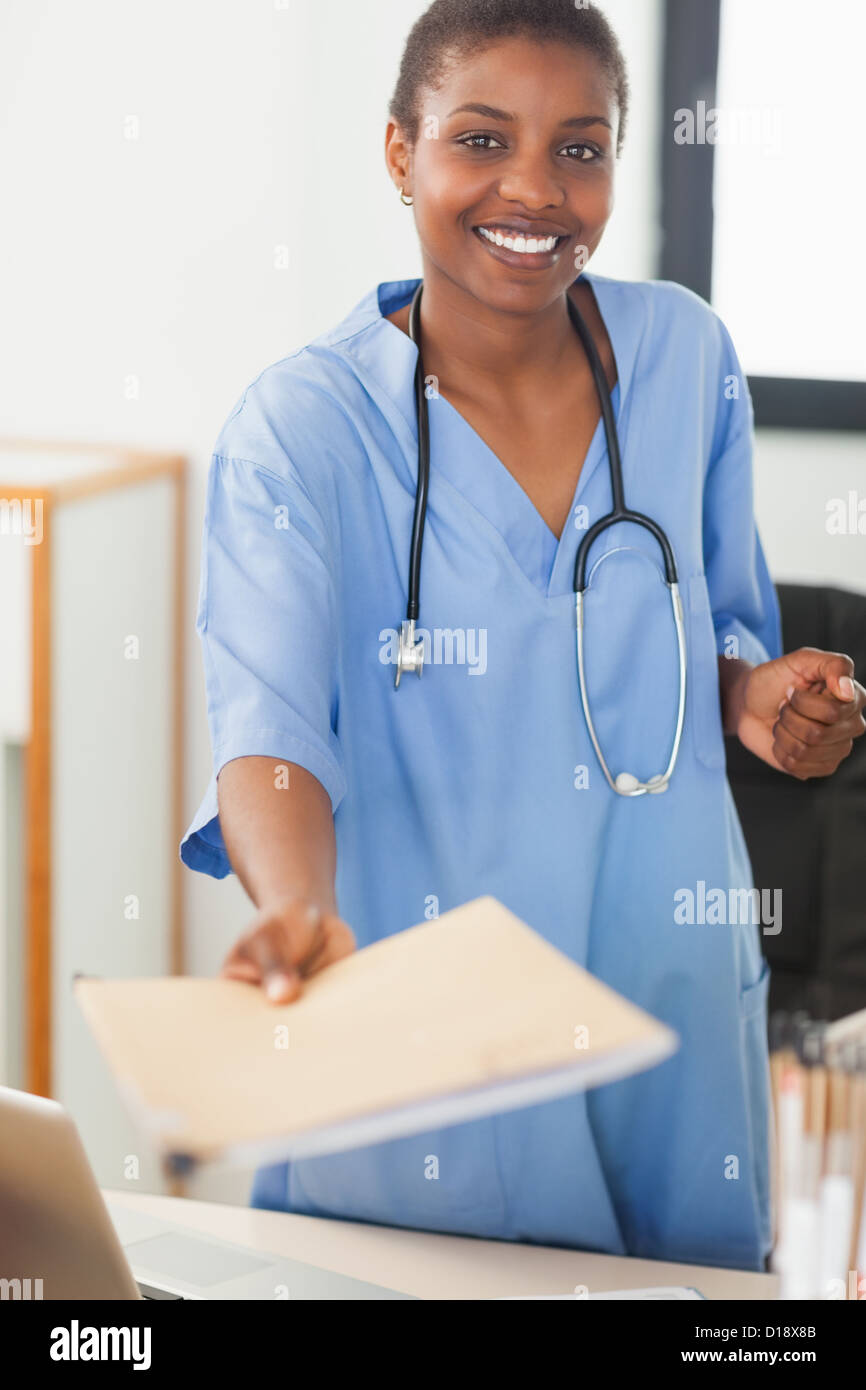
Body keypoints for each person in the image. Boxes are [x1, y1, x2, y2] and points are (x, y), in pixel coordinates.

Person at [180, 0, 865, 1269]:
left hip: (663, 998)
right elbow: (270, 725)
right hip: (428, 1009)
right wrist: (298, 911)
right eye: (481, 139)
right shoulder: (301, 432)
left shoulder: (684, 356)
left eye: (580, 149)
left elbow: (709, 632)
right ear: (400, 153)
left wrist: (755, 697)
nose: (534, 191)